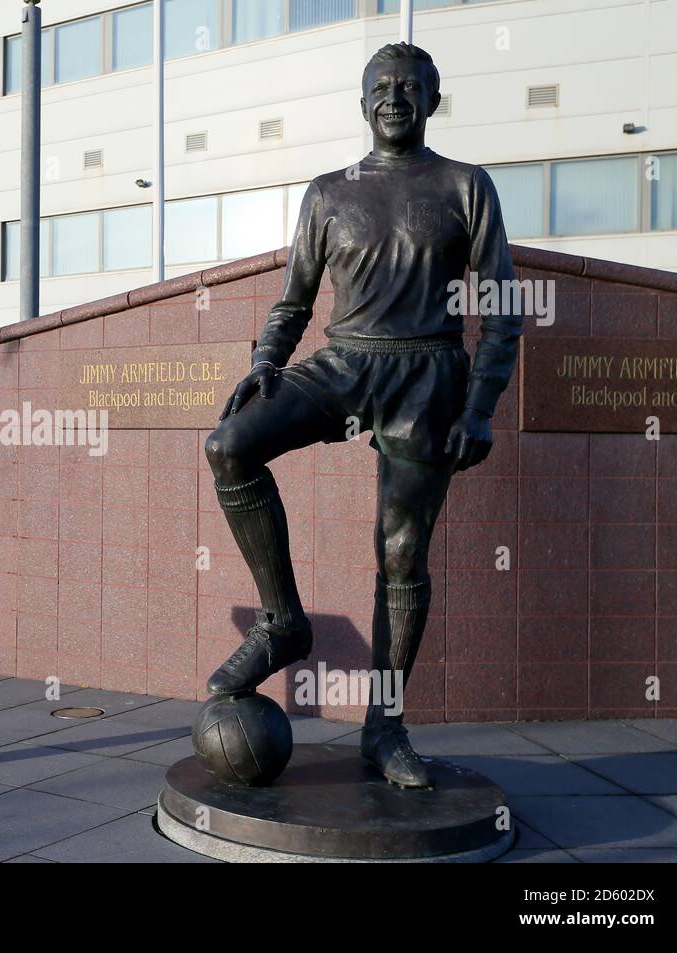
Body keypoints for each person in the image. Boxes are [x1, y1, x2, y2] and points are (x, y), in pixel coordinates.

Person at [203, 42, 521, 789]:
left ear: (433, 101)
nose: (394, 98)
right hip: (342, 363)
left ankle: (385, 727)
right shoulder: (326, 193)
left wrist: (479, 408)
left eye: (410, 87)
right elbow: (293, 304)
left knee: (402, 553)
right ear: (362, 103)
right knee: (230, 445)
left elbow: (503, 310)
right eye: (380, 87)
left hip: (429, 373)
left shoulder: (466, 185)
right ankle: (283, 620)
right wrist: (262, 366)